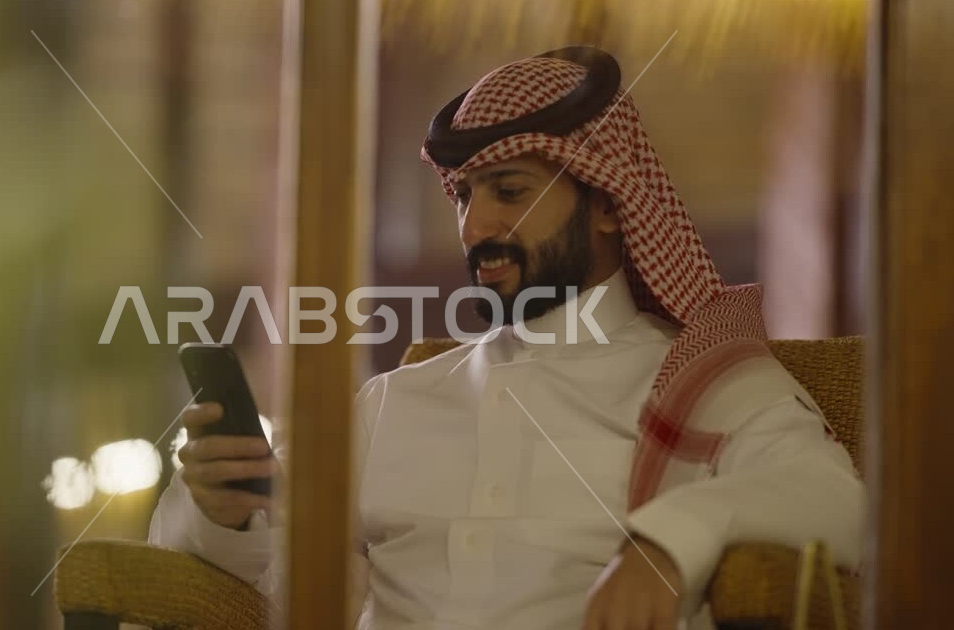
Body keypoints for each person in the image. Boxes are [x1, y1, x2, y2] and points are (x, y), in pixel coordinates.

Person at [149, 47, 865, 630]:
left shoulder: (705, 381)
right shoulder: (393, 401)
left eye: (510, 192)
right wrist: (220, 509)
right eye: (464, 195)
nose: (474, 227)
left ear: (610, 205)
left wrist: (668, 545)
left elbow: (842, 502)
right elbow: (273, 573)